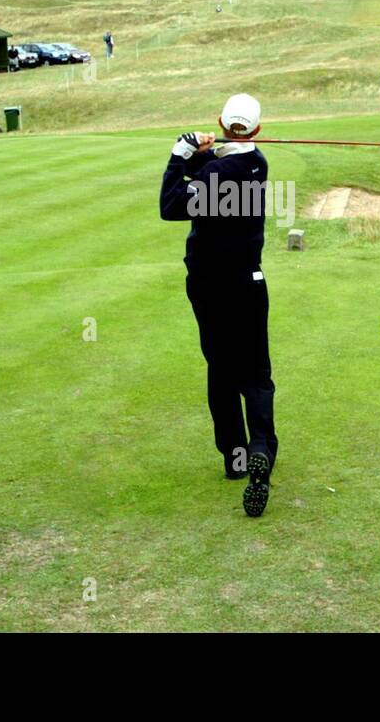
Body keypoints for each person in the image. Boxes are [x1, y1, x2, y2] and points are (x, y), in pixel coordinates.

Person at [159, 92, 277, 518]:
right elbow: (216, 169)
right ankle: (261, 449)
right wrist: (200, 156)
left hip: (209, 287)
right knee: (257, 376)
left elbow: (171, 206)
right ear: (257, 130)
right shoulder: (257, 164)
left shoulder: (214, 175)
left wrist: (179, 154)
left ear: (221, 121)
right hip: (248, 284)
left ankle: (235, 457)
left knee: (222, 371)